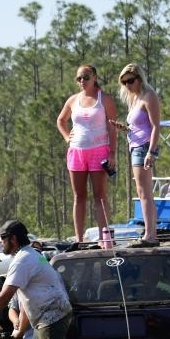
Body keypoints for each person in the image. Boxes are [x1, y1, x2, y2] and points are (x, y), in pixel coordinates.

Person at [56, 63, 118, 241]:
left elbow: (112, 128)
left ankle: (104, 238)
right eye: (79, 78)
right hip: (77, 152)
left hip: (99, 151)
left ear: (94, 78)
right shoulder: (73, 100)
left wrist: (112, 153)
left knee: (100, 196)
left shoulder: (105, 99)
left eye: (86, 77)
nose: (82, 81)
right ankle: (79, 239)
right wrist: (67, 137)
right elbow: (61, 120)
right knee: (79, 196)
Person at [116, 63, 162, 247]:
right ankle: (150, 232)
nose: (127, 85)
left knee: (144, 192)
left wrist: (151, 151)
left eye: (130, 81)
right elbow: (138, 126)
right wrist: (125, 129)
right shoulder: (135, 98)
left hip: (144, 147)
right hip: (135, 146)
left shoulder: (149, 96)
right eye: (124, 82)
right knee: (142, 191)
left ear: (139, 79)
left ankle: (150, 235)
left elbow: (156, 126)